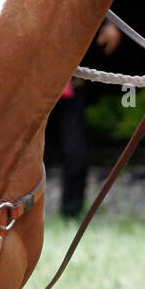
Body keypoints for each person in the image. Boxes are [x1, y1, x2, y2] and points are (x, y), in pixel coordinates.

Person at [46, 20, 121, 218]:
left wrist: (108, 23)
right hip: (36, 91)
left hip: (70, 92)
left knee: (76, 154)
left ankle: (71, 214)